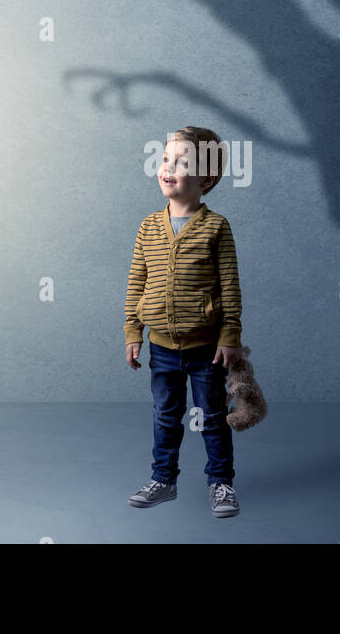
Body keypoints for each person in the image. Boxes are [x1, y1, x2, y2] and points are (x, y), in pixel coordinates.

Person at [124, 126, 244, 517]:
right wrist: (133, 331)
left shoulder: (216, 227)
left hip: (207, 348)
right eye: (164, 160)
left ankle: (221, 483)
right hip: (161, 347)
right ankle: (163, 479)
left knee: (213, 417)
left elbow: (229, 285)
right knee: (164, 415)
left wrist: (229, 335)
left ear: (206, 179)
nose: (168, 168)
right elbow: (136, 281)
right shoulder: (148, 227)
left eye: (182, 162)